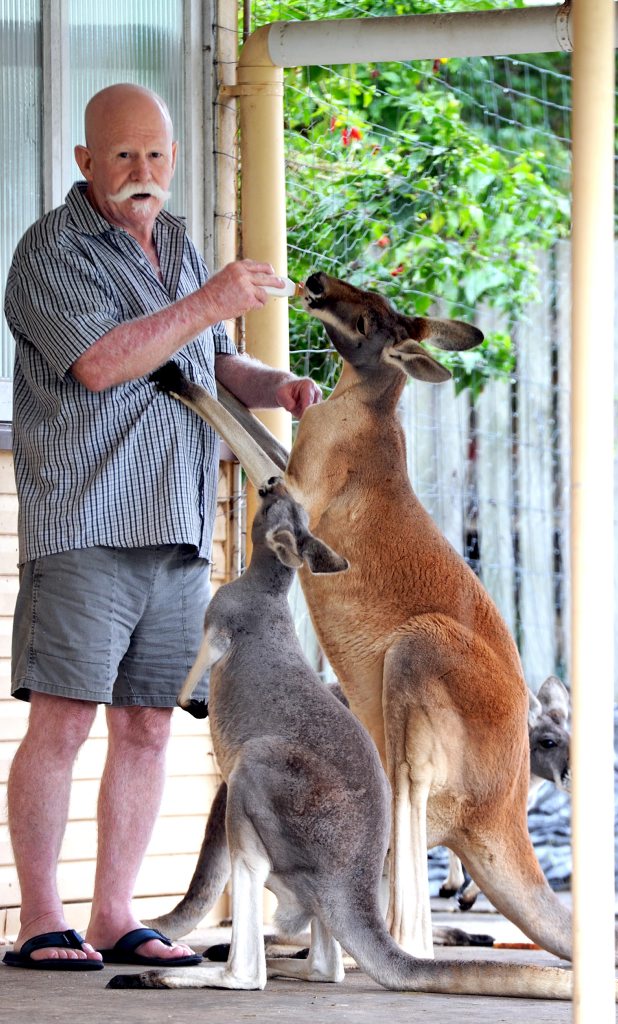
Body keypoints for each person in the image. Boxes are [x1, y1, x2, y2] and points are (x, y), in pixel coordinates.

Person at [2, 83, 321, 970]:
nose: (143, 174)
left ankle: (113, 915)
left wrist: (273, 387)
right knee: (64, 722)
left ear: (174, 158)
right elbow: (104, 365)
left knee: (146, 724)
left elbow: (207, 360)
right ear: (85, 163)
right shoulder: (49, 252)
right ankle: (38, 919)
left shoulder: (179, 243)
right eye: (122, 158)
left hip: (177, 522)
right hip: (86, 520)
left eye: (156, 155)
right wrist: (212, 301)